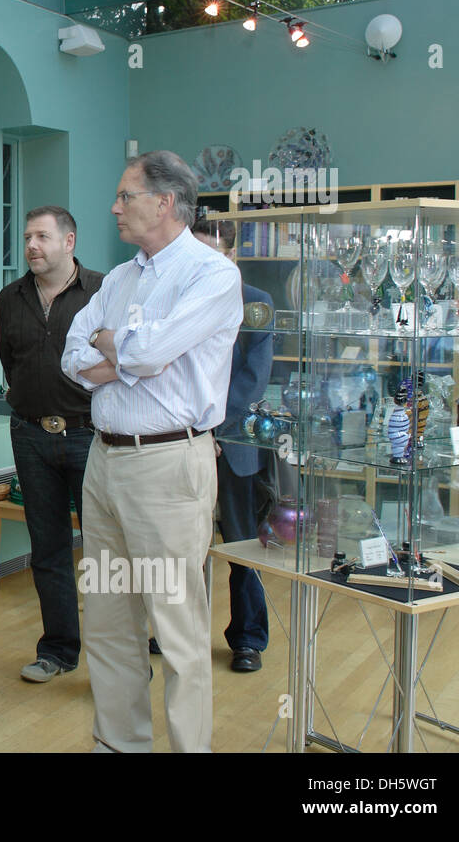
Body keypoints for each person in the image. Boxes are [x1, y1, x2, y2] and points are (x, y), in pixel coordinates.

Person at [61, 150, 242, 753]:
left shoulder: (210, 274)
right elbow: (73, 357)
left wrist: (119, 349)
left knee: (177, 627)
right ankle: (120, 746)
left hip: (168, 466)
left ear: (164, 203)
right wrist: (127, 354)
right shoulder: (118, 277)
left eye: (125, 195)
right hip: (103, 460)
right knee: (109, 624)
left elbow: (145, 351)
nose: (114, 207)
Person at [0, 206, 103, 681]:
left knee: (104, 551)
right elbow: (10, 362)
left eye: (42, 236)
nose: (32, 246)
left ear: (69, 242)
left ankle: (113, 661)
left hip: (89, 434)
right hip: (30, 434)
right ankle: (58, 651)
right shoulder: (10, 297)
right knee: (49, 550)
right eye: (27, 238)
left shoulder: (103, 290)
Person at [192, 219, 271, 673]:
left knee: (241, 546)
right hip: (183, 442)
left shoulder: (257, 303)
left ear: (231, 255)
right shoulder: (181, 299)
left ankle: (247, 639)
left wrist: (213, 430)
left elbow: (253, 379)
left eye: (211, 253)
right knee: (183, 546)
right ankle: (178, 632)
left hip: (234, 444)